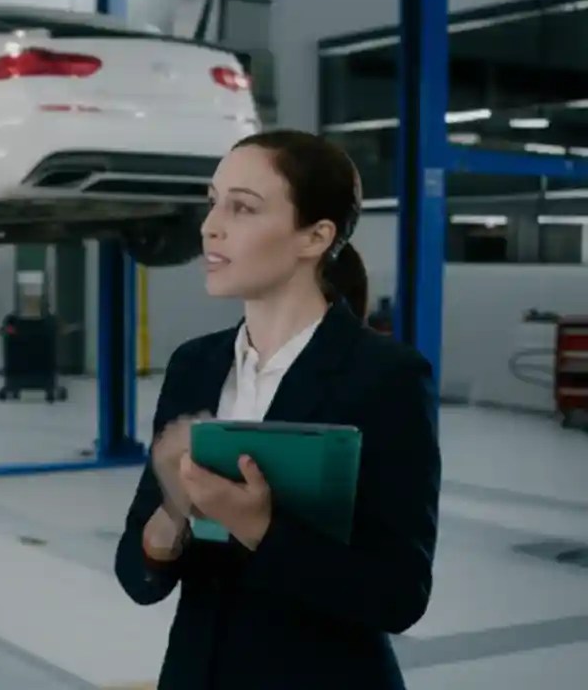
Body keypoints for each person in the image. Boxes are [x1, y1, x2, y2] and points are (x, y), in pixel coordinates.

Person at [114, 129, 442, 690]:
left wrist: (257, 525)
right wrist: (172, 509)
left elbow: (398, 595)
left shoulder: (384, 377)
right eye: (213, 201)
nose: (210, 225)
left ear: (314, 236)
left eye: (242, 207)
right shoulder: (194, 365)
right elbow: (139, 577)